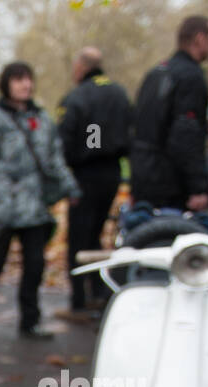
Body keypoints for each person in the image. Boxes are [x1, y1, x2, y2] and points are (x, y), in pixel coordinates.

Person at [0, 61, 79, 340]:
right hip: (1, 207)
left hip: (34, 208)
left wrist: (70, 187)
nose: (25, 85)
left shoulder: (42, 119)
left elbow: (54, 159)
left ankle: (30, 321)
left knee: (35, 265)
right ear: (7, 84)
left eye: (28, 79)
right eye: (18, 79)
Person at [57, 47, 131, 314]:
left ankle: (79, 297)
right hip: (112, 173)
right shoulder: (119, 93)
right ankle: (97, 290)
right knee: (96, 233)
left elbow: (69, 140)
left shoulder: (79, 96)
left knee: (79, 236)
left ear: (81, 66)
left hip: (85, 174)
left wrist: (85, 152)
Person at [130, 14, 208, 214]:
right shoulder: (191, 76)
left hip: (144, 178)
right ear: (200, 38)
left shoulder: (156, 72)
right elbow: (186, 134)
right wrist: (198, 187)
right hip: (171, 184)